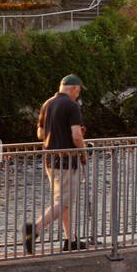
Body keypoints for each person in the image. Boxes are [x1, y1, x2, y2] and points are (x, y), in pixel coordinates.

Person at [24, 74, 88, 254]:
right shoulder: (72, 106)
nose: (79, 93)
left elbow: (40, 134)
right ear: (74, 88)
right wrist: (83, 153)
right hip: (67, 160)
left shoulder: (47, 104)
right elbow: (76, 135)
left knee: (63, 201)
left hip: (50, 160)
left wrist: (58, 134)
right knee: (63, 202)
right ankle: (34, 228)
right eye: (79, 90)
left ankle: (71, 240)